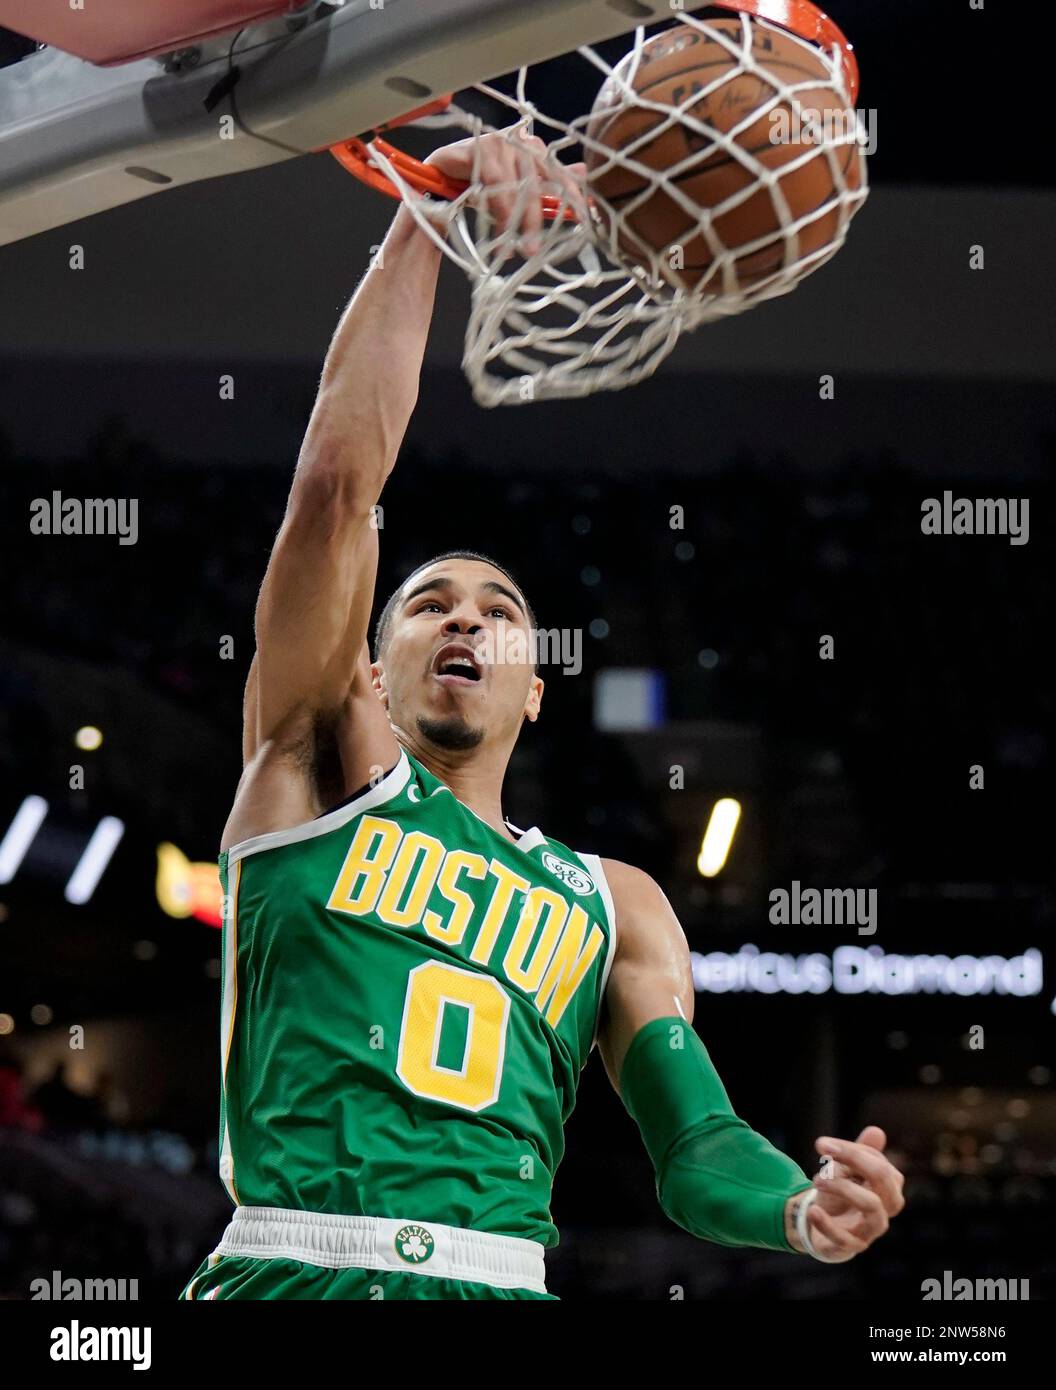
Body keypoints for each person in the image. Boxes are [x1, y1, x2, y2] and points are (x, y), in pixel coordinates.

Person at [181, 131, 904, 1300]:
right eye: (427, 603)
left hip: (501, 1278)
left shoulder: (616, 902)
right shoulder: (310, 762)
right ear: (370, 662)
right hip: (297, 1262)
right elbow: (333, 489)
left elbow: (696, 1142)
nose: (464, 621)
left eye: (498, 608)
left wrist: (796, 1211)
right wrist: (427, 213)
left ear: (536, 681)